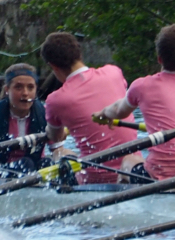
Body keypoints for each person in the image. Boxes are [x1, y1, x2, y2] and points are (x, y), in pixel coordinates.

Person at [94, 24, 175, 181]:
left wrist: (104, 113)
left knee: (129, 159)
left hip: (155, 178)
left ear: (159, 58)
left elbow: (118, 111)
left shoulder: (142, 86)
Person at [41, 31, 141, 184]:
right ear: (79, 54)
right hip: (131, 170)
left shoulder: (56, 100)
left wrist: (53, 131)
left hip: (94, 179)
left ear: (53, 66)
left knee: (59, 152)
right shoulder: (114, 72)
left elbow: (55, 137)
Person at [0, 63, 48, 178]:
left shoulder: (46, 115)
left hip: (35, 170)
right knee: (26, 163)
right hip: (0, 173)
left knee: (48, 163)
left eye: (30, 87)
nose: (25, 93)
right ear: (7, 90)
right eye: (18, 87)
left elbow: (58, 150)